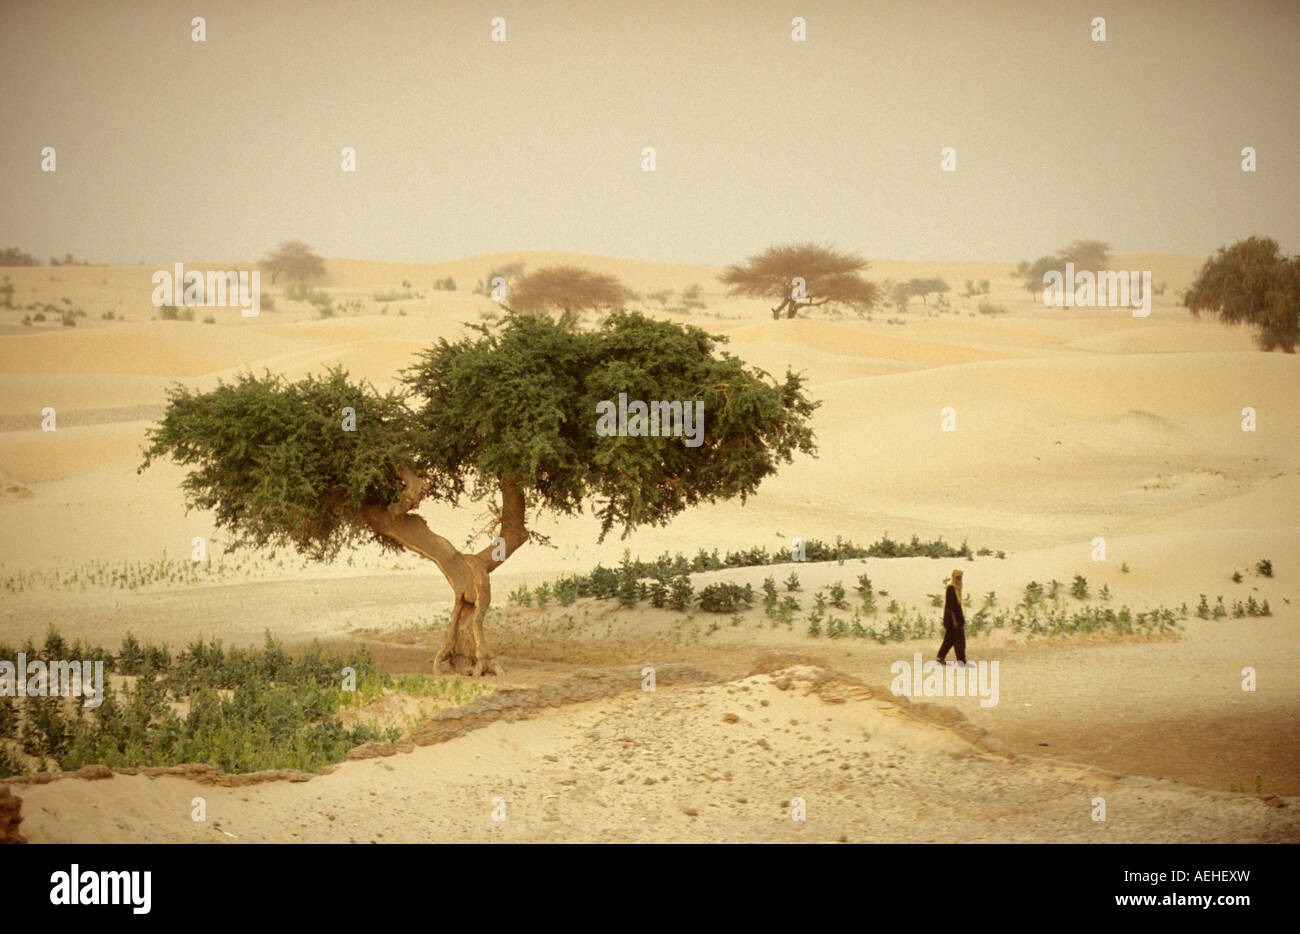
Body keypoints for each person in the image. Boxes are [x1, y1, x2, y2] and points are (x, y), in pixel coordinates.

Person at [936, 569, 968, 666]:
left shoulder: (957, 588)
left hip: (957, 619)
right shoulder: (951, 588)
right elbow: (950, 606)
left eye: (960, 577)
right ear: (954, 577)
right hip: (952, 619)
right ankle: (961, 661)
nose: (959, 579)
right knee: (960, 640)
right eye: (958, 577)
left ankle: (940, 657)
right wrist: (954, 620)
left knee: (949, 640)